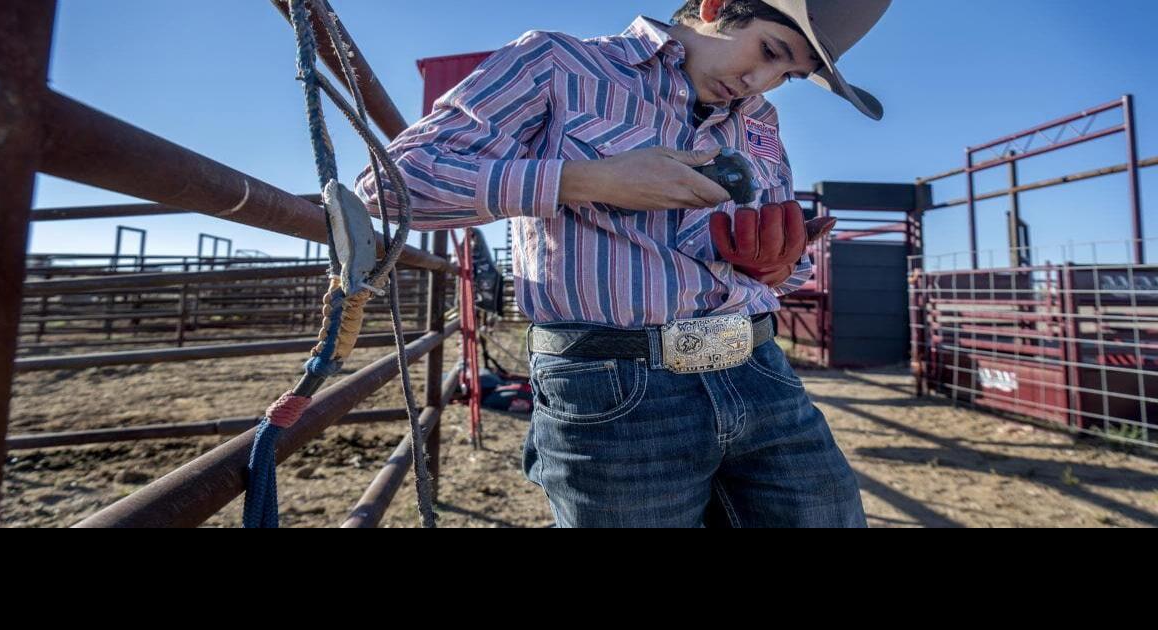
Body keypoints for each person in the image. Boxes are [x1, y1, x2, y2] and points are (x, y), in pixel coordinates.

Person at [357, 0, 894, 527]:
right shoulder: (555, 63)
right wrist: (586, 179)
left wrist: (779, 267)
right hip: (612, 386)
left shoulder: (761, 122)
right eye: (771, 50)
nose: (764, 80)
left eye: (790, 74)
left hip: (759, 369)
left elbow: (782, 267)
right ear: (715, 6)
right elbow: (390, 185)